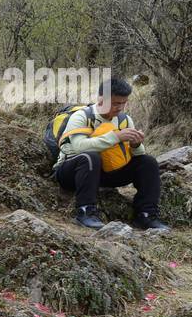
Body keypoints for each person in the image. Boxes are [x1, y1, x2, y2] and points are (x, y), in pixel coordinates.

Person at [53, 77, 169, 231]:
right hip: (71, 173)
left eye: (123, 103)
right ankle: (85, 212)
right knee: (90, 156)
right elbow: (79, 147)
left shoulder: (125, 120)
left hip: (106, 173)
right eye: (116, 103)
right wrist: (116, 137)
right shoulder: (82, 116)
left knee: (148, 162)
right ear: (101, 99)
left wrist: (135, 144)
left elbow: (137, 155)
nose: (120, 107)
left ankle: (146, 215)